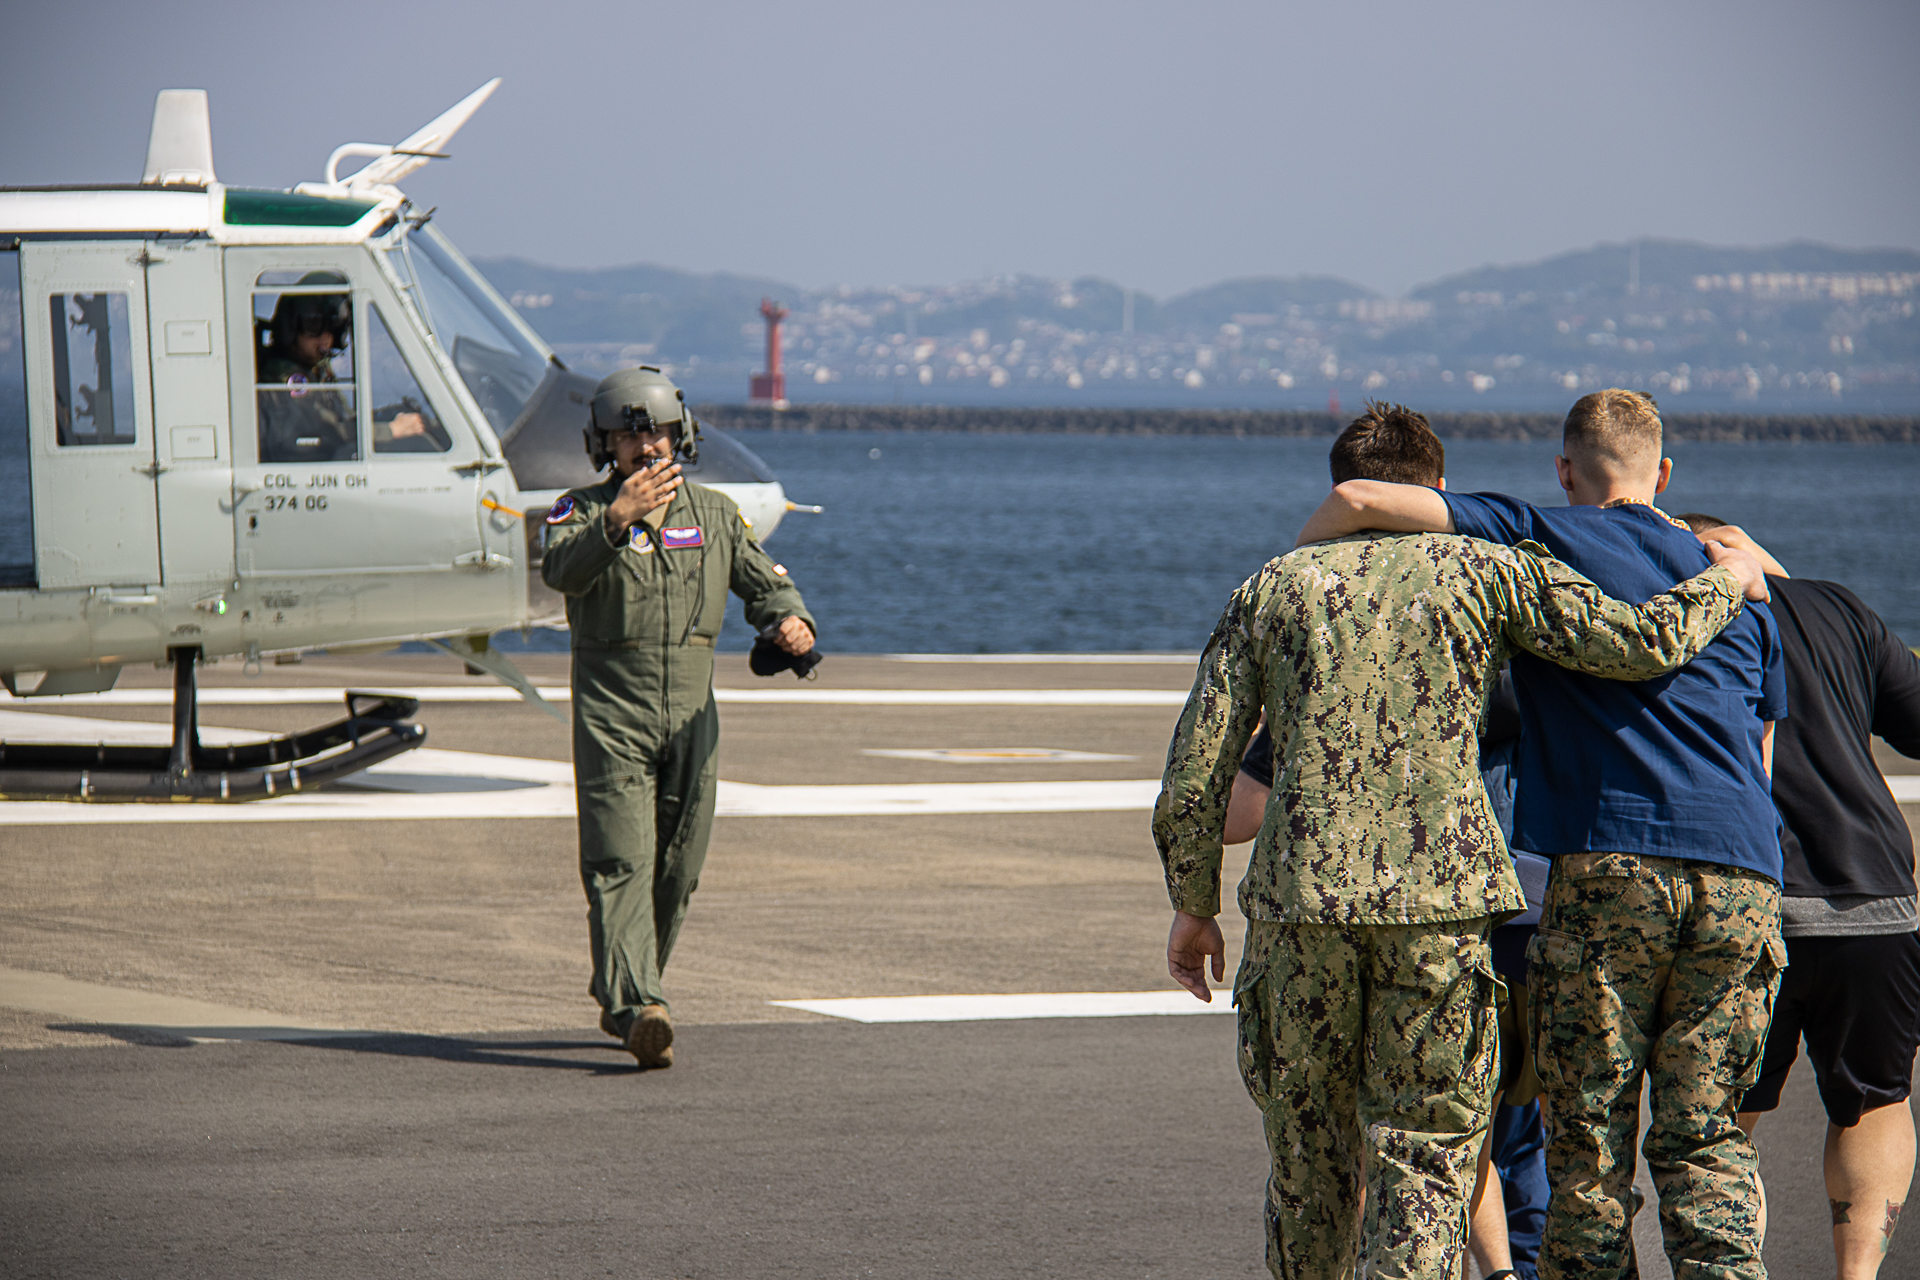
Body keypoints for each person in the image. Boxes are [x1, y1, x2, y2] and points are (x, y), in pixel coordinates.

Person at [1155, 402, 1767, 1278]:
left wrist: (1192, 906)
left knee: (1307, 1159)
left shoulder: (1270, 589)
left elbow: (1195, 775)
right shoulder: (1487, 573)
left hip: (1300, 910)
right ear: (1435, 489)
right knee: (1428, 1154)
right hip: (1440, 910)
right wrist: (1726, 577)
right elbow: (1639, 645)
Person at [541, 366, 815, 1070]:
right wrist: (616, 519)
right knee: (620, 858)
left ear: (678, 435)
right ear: (605, 445)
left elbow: (764, 584)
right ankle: (641, 1006)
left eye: (655, 432)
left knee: (679, 864)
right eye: (628, 435)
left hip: (693, 710)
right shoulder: (577, 512)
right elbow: (561, 572)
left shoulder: (716, 515)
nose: (644, 446)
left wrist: (792, 625)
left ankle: (628, 987)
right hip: (613, 708)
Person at [1674, 513, 1920, 1279]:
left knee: (1716, 1121)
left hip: (1748, 904)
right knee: (1873, 1102)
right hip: (1873, 899)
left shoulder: (1680, 618)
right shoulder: (1840, 608)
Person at [255, 271, 430, 462]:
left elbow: (342, 419)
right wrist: (390, 430)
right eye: (313, 327)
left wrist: (388, 415)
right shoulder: (285, 376)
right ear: (290, 329)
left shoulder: (317, 370)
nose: (325, 338)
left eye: (333, 328)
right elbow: (322, 431)